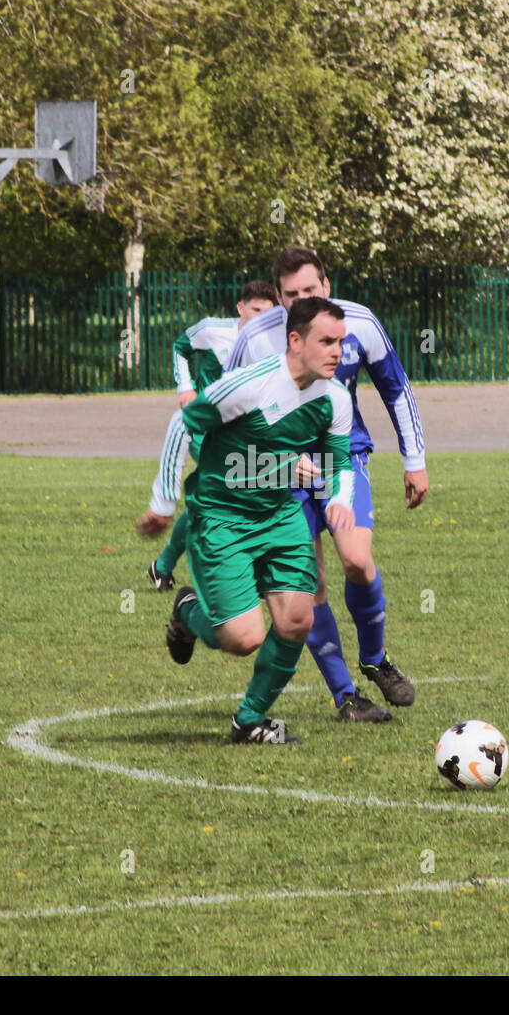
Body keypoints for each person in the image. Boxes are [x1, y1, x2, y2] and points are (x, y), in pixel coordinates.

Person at [223, 246, 427, 723]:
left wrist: (414, 460)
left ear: (327, 287)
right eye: (291, 294)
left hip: (343, 457)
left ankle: (375, 659)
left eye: (310, 290)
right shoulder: (255, 338)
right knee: (307, 585)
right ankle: (346, 697)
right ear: (277, 296)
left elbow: (396, 388)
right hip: (280, 472)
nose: (301, 299)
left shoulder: (359, 324)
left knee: (357, 560)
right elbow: (227, 415)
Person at [137, 297, 355, 744]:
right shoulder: (249, 385)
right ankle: (186, 610)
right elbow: (183, 424)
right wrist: (163, 502)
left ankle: (249, 720)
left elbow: (340, 464)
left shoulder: (335, 399)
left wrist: (341, 497)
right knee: (241, 638)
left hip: (279, 516)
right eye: (327, 341)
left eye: (342, 342)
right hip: (222, 518)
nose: (338, 352)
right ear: (295, 340)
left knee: (297, 619)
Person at [145, 280, 279, 592]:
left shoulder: (272, 343)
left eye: (268, 313)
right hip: (206, 429)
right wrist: (185, 387)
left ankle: (163, 566)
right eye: (255, 310)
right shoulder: (212, 330)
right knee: (222, 494)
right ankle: (246, 573)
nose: (260, 318)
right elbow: (181, 347)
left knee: (212, 500)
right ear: (240, 308)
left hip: (242, 434)